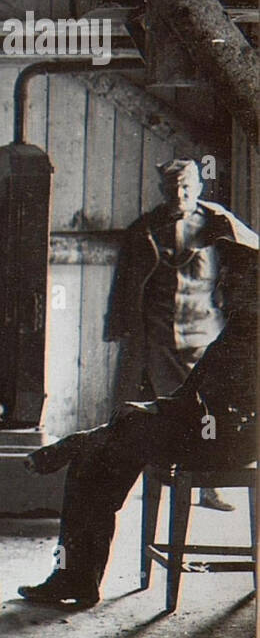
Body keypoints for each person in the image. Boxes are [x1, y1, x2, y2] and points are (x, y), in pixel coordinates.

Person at [19, 241, 256, 607]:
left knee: (107, 447)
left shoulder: (251, 333)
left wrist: (156, 411)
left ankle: (76, 573)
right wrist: (150, 406)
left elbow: (217, 407)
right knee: (99, 454)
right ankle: (73, 575)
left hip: (228, 441)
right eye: (223, 278)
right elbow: (193, 393)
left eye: (231, 280)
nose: (221, 286)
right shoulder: (240, 324)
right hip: (208, 431)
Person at [106, 158, 258, 509]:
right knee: (167, 411)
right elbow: (124, 283)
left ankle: (209, 483)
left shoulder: (218, 224)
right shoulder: (145, 229)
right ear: (161, 190)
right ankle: (166, 474)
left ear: (199, 187)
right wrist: (121, 327)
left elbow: (251, 257)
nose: (180, 193)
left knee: (212, 412)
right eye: (172, 188)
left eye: (187, 186)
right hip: (160, 338)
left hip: (206, 334)